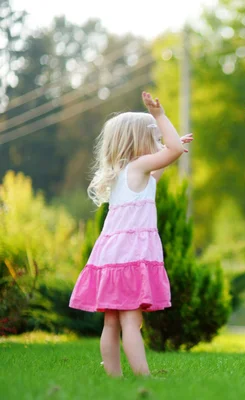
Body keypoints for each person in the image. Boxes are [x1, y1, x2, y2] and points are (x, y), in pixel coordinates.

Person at [69, 91, 193, 377]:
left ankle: (114, 379)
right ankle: (143, 377)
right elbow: (171, 151)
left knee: (111, 323)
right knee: (130, 322)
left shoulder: (127, 173)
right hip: (130, 257)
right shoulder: (138, 168)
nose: (160, 142)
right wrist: (160, 116)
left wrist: (170, 146)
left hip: (110, 257)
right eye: (155, 136)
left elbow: (167, 158)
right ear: (141, 141)